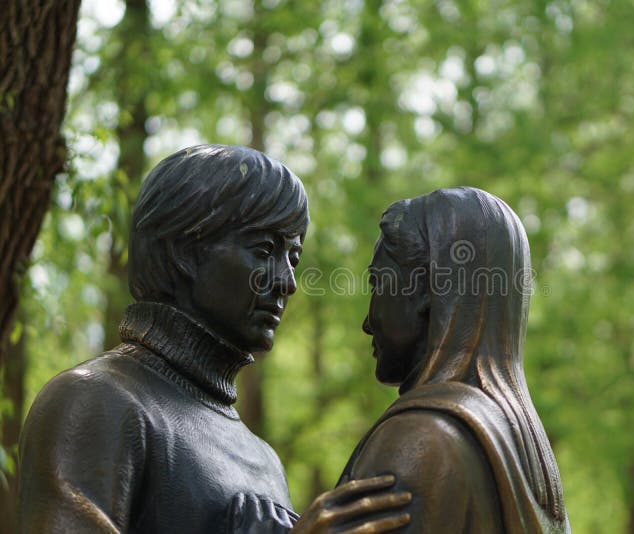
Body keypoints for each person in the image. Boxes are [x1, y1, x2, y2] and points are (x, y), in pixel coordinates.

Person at [18, 145, 410, 533]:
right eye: (264, 250)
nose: (286, 282)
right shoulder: (95, 400)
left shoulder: (264, 459)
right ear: (184, 251)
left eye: (293, 257)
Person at [339, 187, 571, 533]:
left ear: (426, 290)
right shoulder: (527, 456)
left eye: (378, 284)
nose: (367, 322)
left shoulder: (419, 441)